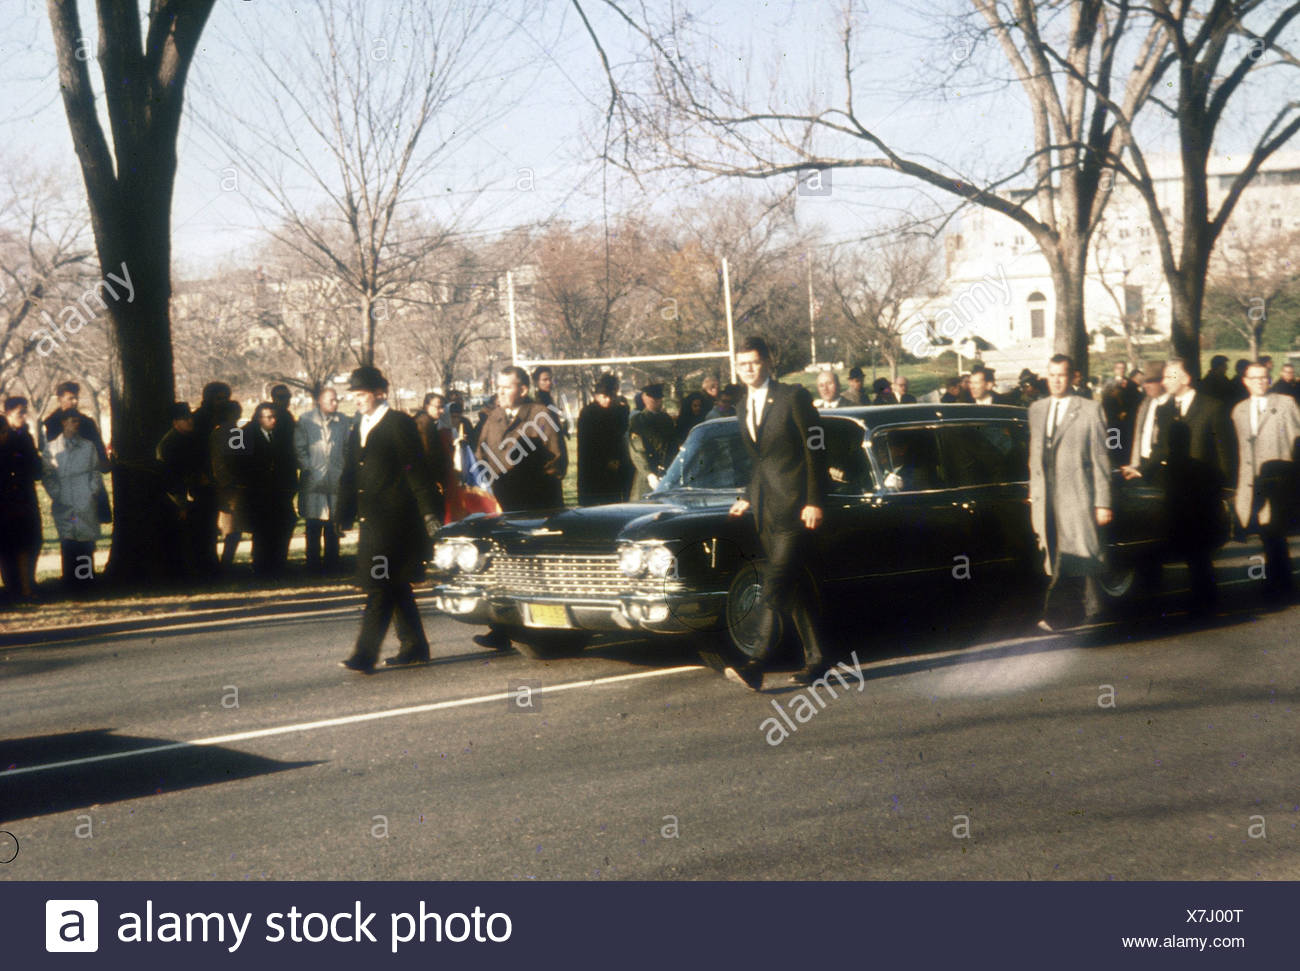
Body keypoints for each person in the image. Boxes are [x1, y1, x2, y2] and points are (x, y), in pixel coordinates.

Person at [724, 335, 830, 690]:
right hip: (765, 510)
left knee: (776, 580)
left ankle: (757, 661)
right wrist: (747, 496)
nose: (748, 369)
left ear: (768, 361)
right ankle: (817, 661)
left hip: (795, 508)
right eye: (742, 364)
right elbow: (759, 461)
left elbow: (816, 448)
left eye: (754, 362)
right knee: (795, 586)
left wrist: (814, 499)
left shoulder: (792, 397)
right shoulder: (741, 406)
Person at [336, 366, 441, 672]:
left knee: (379, 586)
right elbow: (349, 473)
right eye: (353, 395)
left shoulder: (398, 423)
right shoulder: (360, 426)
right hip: (372, 519)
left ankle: (364, 654)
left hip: (397, 522)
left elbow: (416, 470)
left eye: (361, 394)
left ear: (379, 393)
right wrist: (343, 513)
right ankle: (415, 646)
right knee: (395, 585)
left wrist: (429, 513)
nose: (356, 400)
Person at [1132, 359, 1235, 614]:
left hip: (1202, 491)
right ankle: (1162, 601)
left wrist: (1225, 489)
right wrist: (1141, 470)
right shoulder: (1163, 409)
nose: (1164, 381)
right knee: (1171, 544)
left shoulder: (1213, 408)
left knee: (1199, 551)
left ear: (1186, 379)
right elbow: (1159, 448)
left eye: (1170, 376)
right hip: (1172, 489)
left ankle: (1206, 601)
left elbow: (1225, 452)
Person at [1028, 355, 1113, 631]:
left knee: (1075, 553)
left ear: (1073, 377)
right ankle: (1080, 611)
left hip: (1077, 496)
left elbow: (1100, 459)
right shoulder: (1037, 409)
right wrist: (1034, 493)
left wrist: (1103, 502)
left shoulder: (1090, 409)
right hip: (1047, 499)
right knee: (1055, 553)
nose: (1056, 380)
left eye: (1062, 375)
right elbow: (1035, 457)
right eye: (1051, 374)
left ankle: (1065, 615)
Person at [1231, 363, 1300, 603]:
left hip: (1279, 481)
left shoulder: (1285, 404)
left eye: (1264, 377)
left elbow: (1296, 440)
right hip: (1252, 483)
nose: (1261, 381)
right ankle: (1277, 582)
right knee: (1264, 533)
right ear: (1245, 381)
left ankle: (1281, 584)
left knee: (1275, 532)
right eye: (1255, 378)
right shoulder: (1239, 410)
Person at [475, 365, 565, 511]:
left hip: (536, 507)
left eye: (506, 388)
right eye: (499, 387)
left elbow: (557, 462)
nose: (500, 392)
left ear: (523, 390)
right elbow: (480, 456)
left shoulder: (541, 416)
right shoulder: (494, 417)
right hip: (501, 506)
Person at [42, 410, 104, 593]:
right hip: (65, 502)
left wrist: (92, 491)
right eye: (73, 421)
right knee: (69, 540)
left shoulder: (88, 446)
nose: (76, 425)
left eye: (78, 421)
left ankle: (85, 581)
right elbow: (48, 475)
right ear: (64, 422)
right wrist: (57, 494)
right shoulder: (52, 448)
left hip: (84, 501)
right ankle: (71, 582)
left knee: (85, 541)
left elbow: (95, 471)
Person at [296, 386, 350, 573]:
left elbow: (346, 447)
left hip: (335, 477)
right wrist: (308, 468)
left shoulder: (342, 421)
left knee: (333, 522)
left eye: (336, 400)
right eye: (330, 400)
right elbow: (300, 448)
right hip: (314, 478)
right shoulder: (306, 420)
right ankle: (312, 563)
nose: (335, 403)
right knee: (313, 522)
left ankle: (332, 562)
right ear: (320, 401)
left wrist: (343, 470)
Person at [0, 397, 42, 601]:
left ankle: (27, 585)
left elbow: (35, 466)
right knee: (7, 546)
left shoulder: (26, 436)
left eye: (25, 412)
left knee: (29, 541)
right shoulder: (3, 436)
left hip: (25, 496)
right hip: (5, 498)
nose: (23, 417)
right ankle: (13, 587)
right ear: (7, 414)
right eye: (19, 413)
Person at [156, 401, 205, 577]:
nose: (189, 421)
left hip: (194, 493)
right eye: (184, 419)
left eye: (190, 418)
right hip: (176, 497)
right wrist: (181, 503)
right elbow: (169, 477)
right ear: (175, 422)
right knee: (181, 538)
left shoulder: (192, 438)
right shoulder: (169, 444)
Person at [190, 382, 232, 576]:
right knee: (204, 523)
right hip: (203, 479)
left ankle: (214, 563)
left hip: (221, 479)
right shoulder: (199, 419)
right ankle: (204, 564)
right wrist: (201, 475)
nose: (222, 402)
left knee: (216, 522)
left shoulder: (226, 420)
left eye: (225, 398)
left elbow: (236, 450)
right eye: (219, 398)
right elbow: (196, 450)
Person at [577, 373, 631, 507]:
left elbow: (621, 436)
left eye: (611, 396)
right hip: (594, 467)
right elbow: (587, 446)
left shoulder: (619, 410)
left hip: (616, 465)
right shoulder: (588, 413)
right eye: (604, 397)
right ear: (596, 396)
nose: (608, 400)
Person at [211, 400, 249, 572]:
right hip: (232, 487)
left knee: (227, 528)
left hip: (221, 485)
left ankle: (223, 563)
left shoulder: (215, 433)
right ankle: (226, 564)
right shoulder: (235, 433)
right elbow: (240, 461)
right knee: (233, 529)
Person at [42, 381, 109, 470]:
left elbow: (98, 446)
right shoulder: (51, 422)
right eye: (71, 398)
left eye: (77, 398)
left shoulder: (87, 422)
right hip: (62, 470)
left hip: (86, 468)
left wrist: (103, 463)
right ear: (60, 399)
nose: (75, 402)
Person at [627, 383, 678, 498]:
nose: (656, 401)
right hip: (647, 476)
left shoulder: (666, 420)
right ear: (644, 398)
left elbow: (673, 446)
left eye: (658, 398)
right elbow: (637, 451)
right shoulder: (638, 421)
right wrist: (649, 474)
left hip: (666, 473)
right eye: (652, 398)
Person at [1122, 369, 1168, 476]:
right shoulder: (1145, 403)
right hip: (1143, 462)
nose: (1145, 386)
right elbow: (1138, 434)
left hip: (1163, 464)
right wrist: (1134, 463)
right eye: (1144, 382)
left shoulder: (1173, 405)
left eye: (1150, 382)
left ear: (1162, 382)